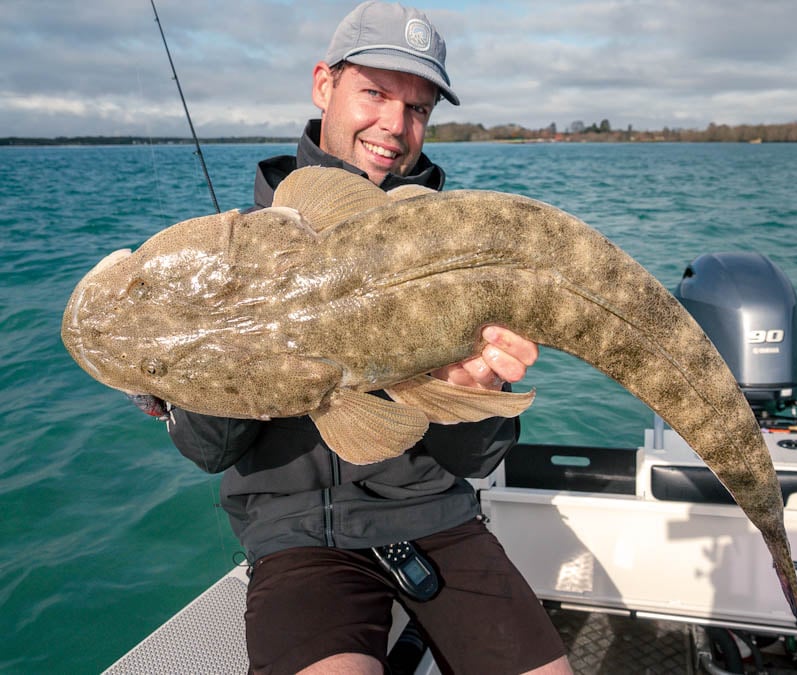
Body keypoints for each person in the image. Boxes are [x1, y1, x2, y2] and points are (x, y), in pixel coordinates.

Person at [165, 3, 573, 673]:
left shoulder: (461, 251)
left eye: (417, 108)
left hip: (436, 517)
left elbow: (474, 456)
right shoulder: (235, 249)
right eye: (375, 93)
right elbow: (208, 449)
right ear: (324, 84)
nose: (395, 125)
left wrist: (475, 390)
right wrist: (219, 362)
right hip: (299, 536)